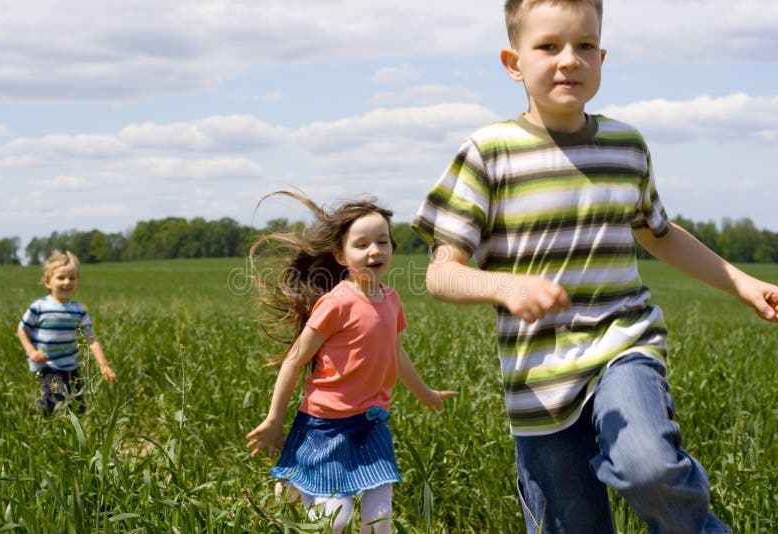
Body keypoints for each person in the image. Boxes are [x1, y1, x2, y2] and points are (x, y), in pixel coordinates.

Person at [412, 1, 778, 533]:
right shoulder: (489, 153)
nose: (569, 60)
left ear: (602, 57)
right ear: (513, 62)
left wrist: (743, 284)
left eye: (585, 46)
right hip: (538, 379)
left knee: (648, 465)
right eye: (548, 46)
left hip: (622, 343)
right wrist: (504, 285)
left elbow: (661, 235)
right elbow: (440, 272)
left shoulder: (625, 147)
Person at [247, 192, 454, 534]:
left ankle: (302, 483)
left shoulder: (391, 300)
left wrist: (424, 392)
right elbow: (294, 362)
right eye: (362, 244)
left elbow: (396, 353)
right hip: (325, 428)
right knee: (335, 523)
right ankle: (299, 479)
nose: (375, 250)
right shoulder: (336, 303)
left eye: (382, 241)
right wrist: (274, 420)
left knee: (380, 523)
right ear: (341, 255)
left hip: (372, 425)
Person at [17, 250, 117, 413]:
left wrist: (103, 365)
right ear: (47, 282)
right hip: (46, 365)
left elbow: (91, 338)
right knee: (56, 395)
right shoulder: (39, 307)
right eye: (61, 277)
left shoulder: (78, 310)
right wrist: (31, 351)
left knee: (78, 404)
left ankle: (77, 433)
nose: (67, 282)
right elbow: (22, 330)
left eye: (72, 278)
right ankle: (41, 420)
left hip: (70, 365)